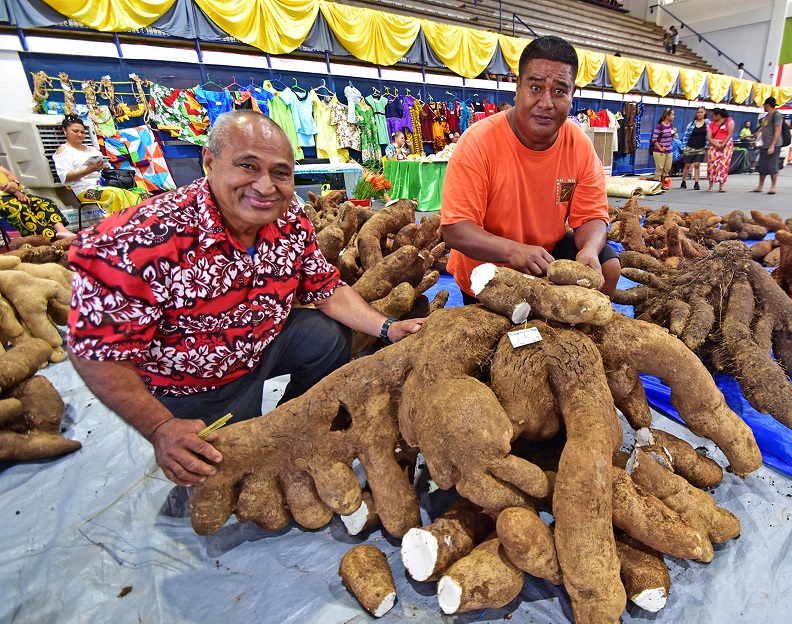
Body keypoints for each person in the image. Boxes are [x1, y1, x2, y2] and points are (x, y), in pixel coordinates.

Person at [66, 111, 425, 487]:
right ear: (209, 162)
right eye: (247, 166)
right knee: (235, 477)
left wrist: (388, 327)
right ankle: (255, 432)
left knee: (327, 333)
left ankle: (296, 418)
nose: (266, 186)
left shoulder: (290, 223)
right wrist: (160, 427)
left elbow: (327, 289)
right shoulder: (141, 237)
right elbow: (94, 351)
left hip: (261, 346)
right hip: (194, 380)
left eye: (281, 173)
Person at [439, 35, 621, 299]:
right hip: (486, 268)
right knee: (507, 330)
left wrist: (589, 249)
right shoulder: (478, 142)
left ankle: (590, 332)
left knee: (609, 266)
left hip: (545, 255)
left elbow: (592, 216)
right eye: (536, 87)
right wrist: (514, 250)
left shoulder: (578, 144)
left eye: (559, 91)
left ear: (572, 96)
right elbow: (455, 230)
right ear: (518, 87)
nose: (546, 103)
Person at [52, 115, 145, 216]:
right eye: (75, 131)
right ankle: (118, 224)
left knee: (141, 192)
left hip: (105, 184)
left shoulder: (92, 150)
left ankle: (140, 222)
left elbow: (107, 167)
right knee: (113, 194)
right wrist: (89, 170)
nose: (80, 134)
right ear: (65, 131)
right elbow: (65, 178)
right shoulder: (63, 151)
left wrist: (104, 166)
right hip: (84, 190)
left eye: (82, 132)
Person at [0, 164, 76, 240]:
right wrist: (15, 192)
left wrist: (14, 183)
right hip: (3, 197)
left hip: (11, 193)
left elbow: (9, 174)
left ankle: (61, 231)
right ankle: (47, 239)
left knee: (44, 202)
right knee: (18, 207)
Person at [752, 97, 783, 194]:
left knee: (772, 166)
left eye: (764, 105)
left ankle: (773, 187)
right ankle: (760, 186)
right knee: (762, 166)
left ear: (767, 105)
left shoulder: (776, 115)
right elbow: (763, 128)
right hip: (765, 144)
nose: (763, 107)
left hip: (774, 145)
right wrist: (757, 135)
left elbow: (778, 130)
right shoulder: (766, 116)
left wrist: (772, 145)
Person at [706, 108, 734, 192]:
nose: (712, 118)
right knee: (712, 164)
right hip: (714, 144)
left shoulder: (729, 121)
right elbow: (709, 137)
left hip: (726, 145)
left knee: (723, 164)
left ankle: (721, 185)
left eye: (713, 116)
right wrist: (717, 145)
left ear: (718, 115)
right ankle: (710, 185)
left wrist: (723, 144)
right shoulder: (711, 124)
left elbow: (729, 134)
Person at [680, 107, 708, 189]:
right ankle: (683, 181)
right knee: (687, 165)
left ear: (705, 113)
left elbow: (710, 135)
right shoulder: (691, 124)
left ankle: (696, 183)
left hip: (701, 147)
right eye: (698, 112)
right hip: (690, 147)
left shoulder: (707, 124)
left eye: (701, 112)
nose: (699, 114)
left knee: (697, 164)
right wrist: (684, 147)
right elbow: (686, 136)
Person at [650, 108, 675, 188]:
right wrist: (660, 148)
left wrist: (673, 132)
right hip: (659, 151)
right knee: (659, 168)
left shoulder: (671, 125)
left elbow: (670, 136)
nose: (673, 116)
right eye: (672, 115)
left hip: (668, 150)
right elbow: (654, 139)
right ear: (667, 116)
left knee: (666, 168)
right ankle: (656, 186)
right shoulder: (660, 126)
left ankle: (663, 184)